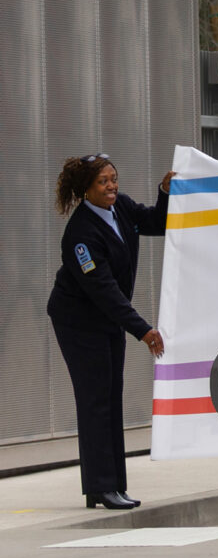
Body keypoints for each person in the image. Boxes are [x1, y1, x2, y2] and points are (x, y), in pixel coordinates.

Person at [47, 153, 174, 511]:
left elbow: (158, 222)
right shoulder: (80, 235)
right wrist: (143, 330)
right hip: (78, 321)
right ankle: (102, 487)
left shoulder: (123, 210)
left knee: (110, 397)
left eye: (113, 179)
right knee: (95, 401)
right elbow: (103, 289)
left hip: (106, 319)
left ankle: (111, 484)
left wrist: (165, 192)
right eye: (103, 182)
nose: (111, 186)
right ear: (86, 190)